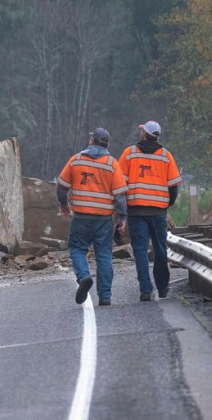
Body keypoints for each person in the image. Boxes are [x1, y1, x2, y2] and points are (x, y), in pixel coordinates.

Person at [57, 127, 128, 306]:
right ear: (107, 144)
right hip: (104, 219)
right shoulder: (112, 164)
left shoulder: (76, 160)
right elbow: (119, 196)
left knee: (76, 249)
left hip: (81, 217)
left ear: (91, 141)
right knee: (103, 255)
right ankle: (105, 296)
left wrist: (64, 205)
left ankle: (83, 277)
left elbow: (61, 186)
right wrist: (123, 218)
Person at [117, 121, 182, 301]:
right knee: (160, 249)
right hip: (158, 212)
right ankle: (163, 287)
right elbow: (174, 187)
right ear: (157, 137)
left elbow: (120, 185)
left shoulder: (129, 154)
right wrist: (167, 204)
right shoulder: (166, 156)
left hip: (136, 211)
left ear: (144, 134)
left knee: (140, 250)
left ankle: (146, 289)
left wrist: (122, 210)